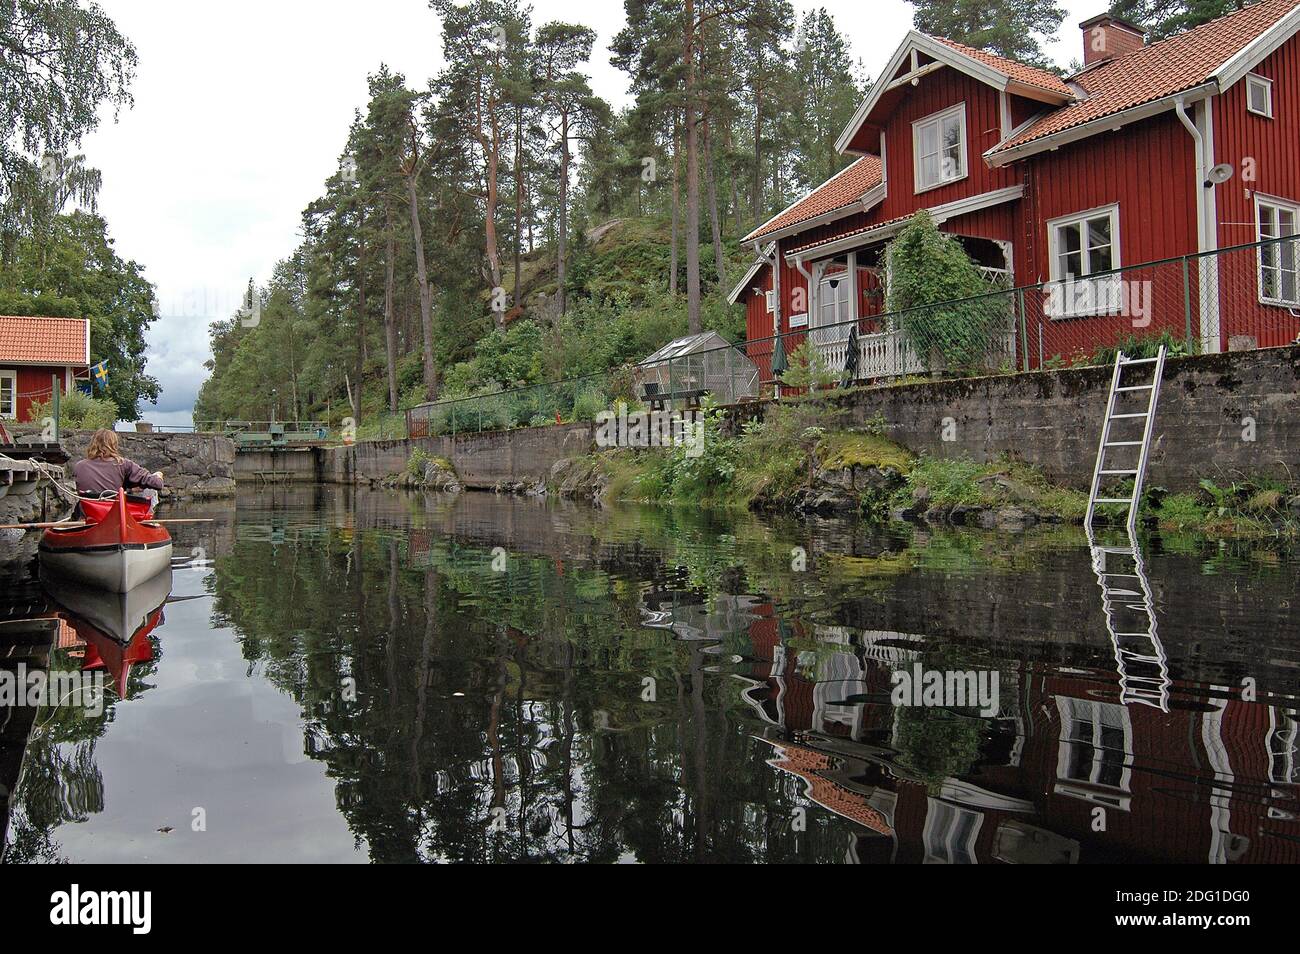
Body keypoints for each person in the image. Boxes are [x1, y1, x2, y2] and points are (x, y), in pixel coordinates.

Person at [72, 429, 165, 512]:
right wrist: (159, 476)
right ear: (114, 445)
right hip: (114, 513)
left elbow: (101, 484)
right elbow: (157, 484)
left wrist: (129, 489)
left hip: (89, 515)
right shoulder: (123, 464)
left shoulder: (79, 466)